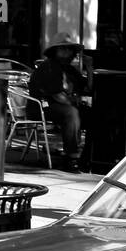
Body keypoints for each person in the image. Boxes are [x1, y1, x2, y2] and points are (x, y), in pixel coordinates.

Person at [29, 31, 93, 172]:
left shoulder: (70, 69)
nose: (68, 52)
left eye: (69, 49)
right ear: (55, 51)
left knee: (93, 114)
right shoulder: (49, 66)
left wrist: (89, 68)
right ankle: (72, 157)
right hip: (42, 107)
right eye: (63, 49)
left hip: (62, 106)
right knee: (71, 113)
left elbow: (89, 88)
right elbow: (58, 95)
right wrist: (75, 103)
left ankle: (89, 156)